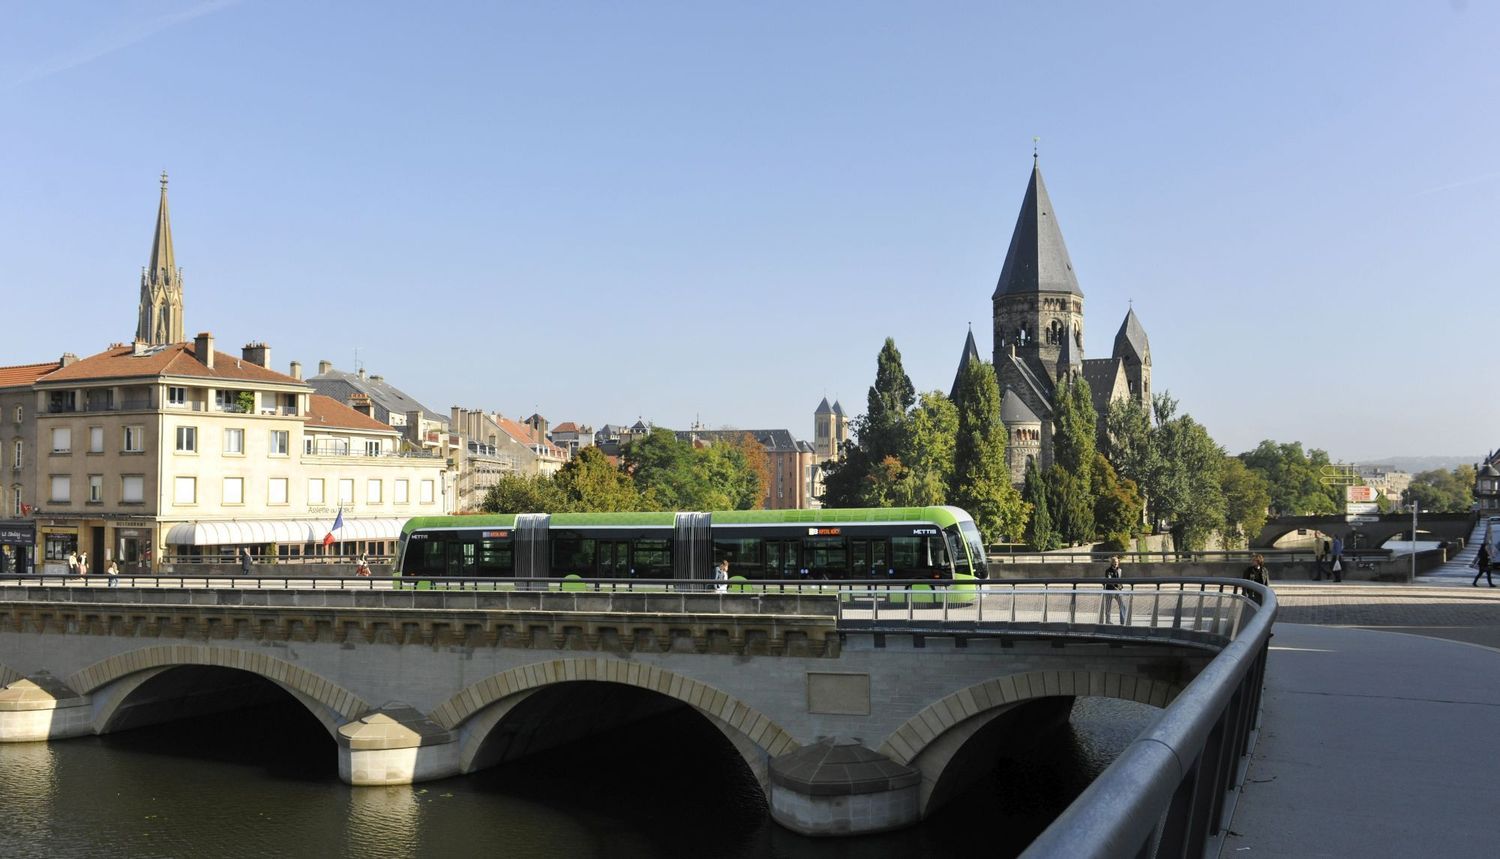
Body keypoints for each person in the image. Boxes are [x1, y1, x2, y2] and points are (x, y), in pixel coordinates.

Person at [1102, 555, 1127, 624]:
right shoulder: (1108, 571)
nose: (1116, 563)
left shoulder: (1120, 570)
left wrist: (1121, 587)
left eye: (1117, 562)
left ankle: (1123, 621)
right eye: (1114, 562)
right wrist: (1115, 588)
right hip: (1110, 591)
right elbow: (1109, 581)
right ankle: (1108, 621)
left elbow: (1120, 581)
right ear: (1111, 563)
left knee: (1122, 605)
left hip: (1118, 591)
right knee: (1108, 607)